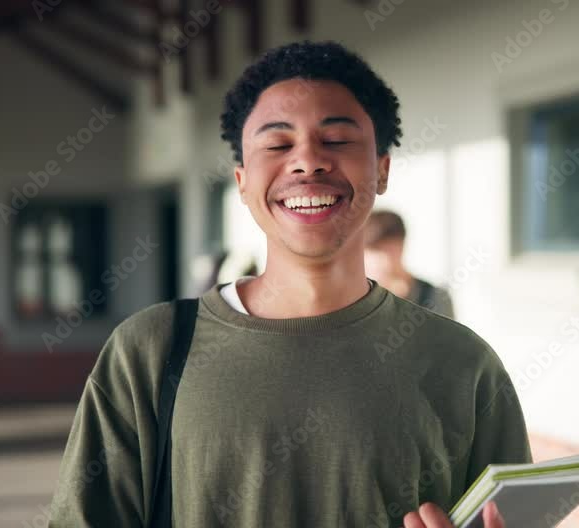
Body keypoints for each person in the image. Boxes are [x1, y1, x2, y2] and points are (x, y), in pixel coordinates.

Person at [48, 41, 530, 528]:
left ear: (382, 169)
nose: (307, 162)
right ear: (241, 180)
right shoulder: (151, 352)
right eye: (278, 144)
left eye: (338, 140)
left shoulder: (465, 365)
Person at [364, 210, 455, 318]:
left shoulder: (435, 297)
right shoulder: (359, 299)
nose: (383, 258)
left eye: (388, 250)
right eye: (376, 250)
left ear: (401, 245)